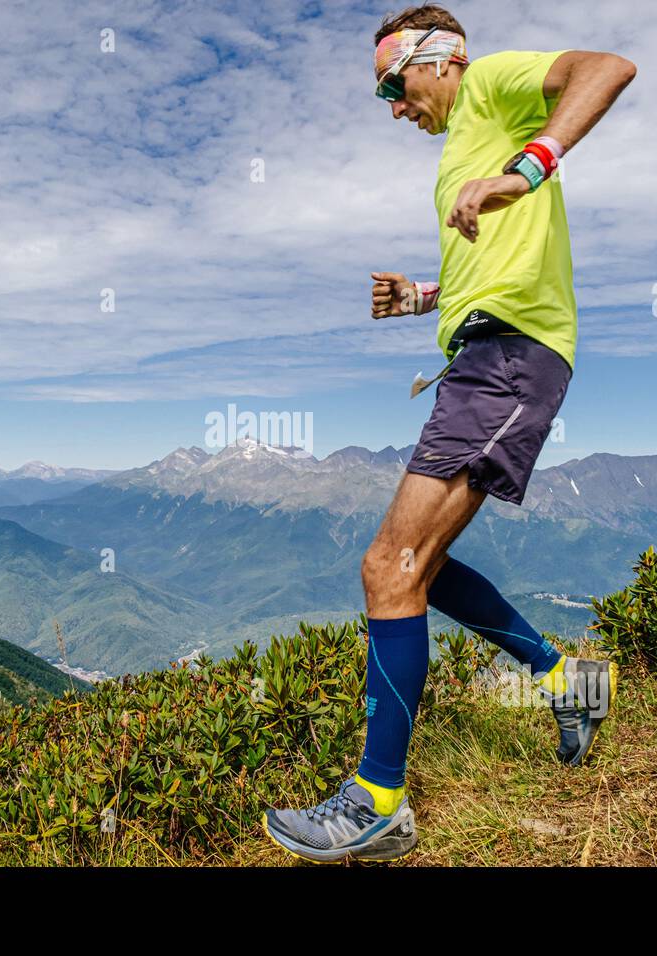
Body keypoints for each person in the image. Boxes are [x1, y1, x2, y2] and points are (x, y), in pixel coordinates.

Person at [263, 3, 636, 864]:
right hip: (485, 353)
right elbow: (493, 255)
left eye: (393, 85)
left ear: (437, 60)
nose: (394, 107)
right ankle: (564, 678)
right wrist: (427, 299)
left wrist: (528, 167)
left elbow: (608, 67)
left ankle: (377, 802)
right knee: (414, 566)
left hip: (510, 357)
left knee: (386, 565)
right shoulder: (454, 157)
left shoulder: (494, 88)